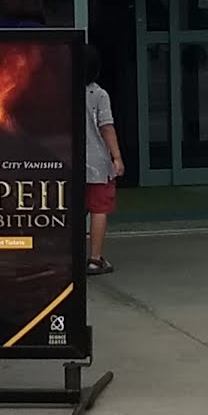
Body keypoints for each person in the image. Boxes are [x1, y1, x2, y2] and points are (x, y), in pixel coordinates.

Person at [83, 44, 123, 276]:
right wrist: (116, 157)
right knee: (99, 209)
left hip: (69, 162)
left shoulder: (61, 91)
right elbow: (106, 127)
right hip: (97, 163)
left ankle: (69, 256)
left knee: (72, 209)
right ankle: (95, 259)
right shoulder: (98, 94)